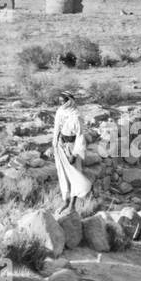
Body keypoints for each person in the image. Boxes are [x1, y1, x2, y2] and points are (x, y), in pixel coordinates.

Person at [51, 89, 92, 218]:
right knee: (63, 175)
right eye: (60, 101)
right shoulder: (60, 111)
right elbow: (56, 127)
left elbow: (80, 137)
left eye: (63, 101)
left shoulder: (76, 116)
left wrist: (74, 155)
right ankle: (65, 201)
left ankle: (72, 206)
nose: (61, 103)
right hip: (61, 146)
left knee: (74, 175)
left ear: (70, 101)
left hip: (72, 147)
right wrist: (54, 145)